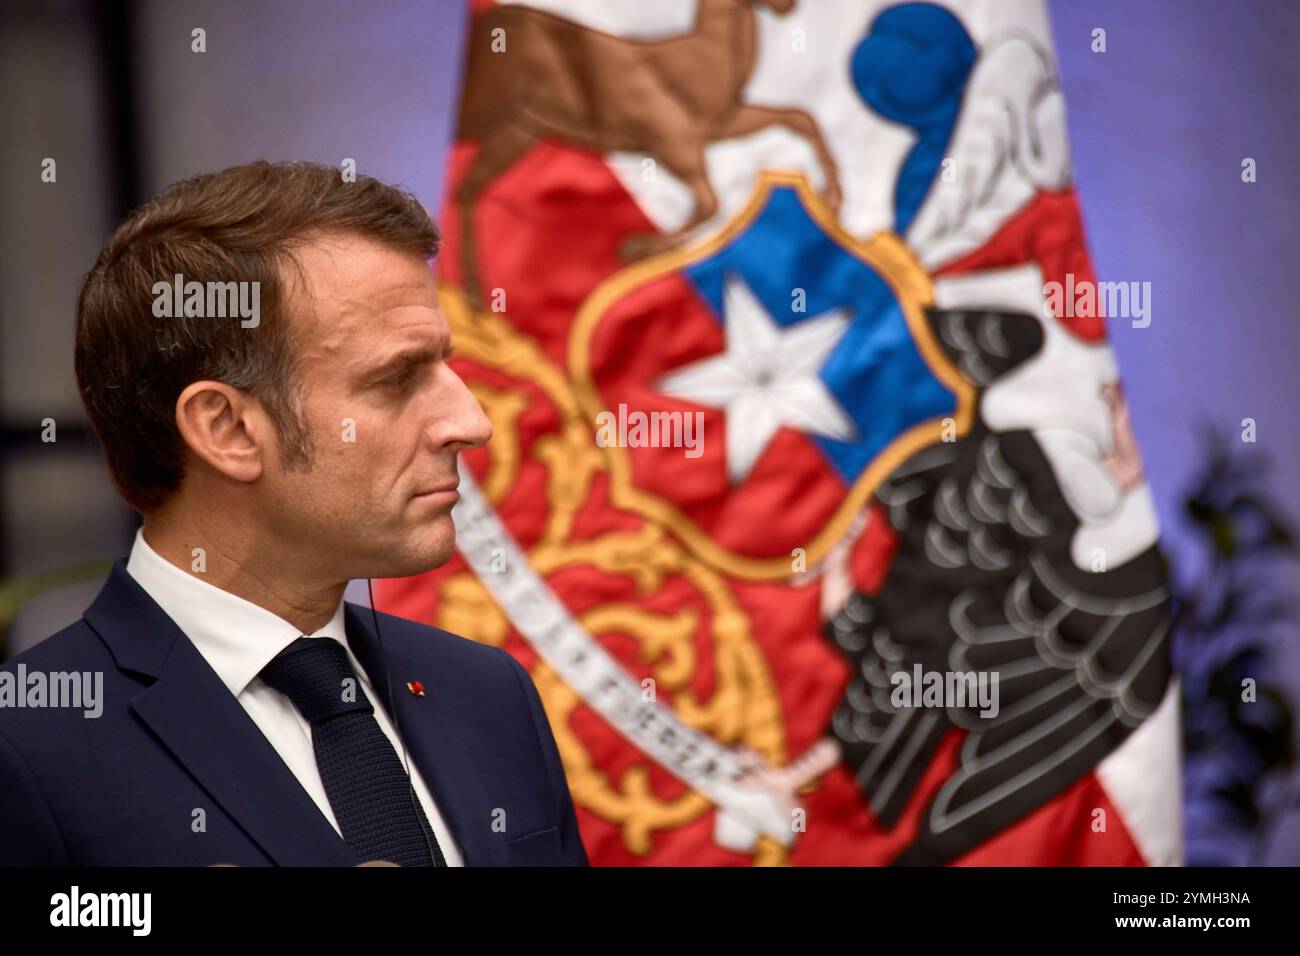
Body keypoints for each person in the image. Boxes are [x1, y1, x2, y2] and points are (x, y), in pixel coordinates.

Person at [0, 161, 588, 867]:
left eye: (446, 366)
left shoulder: (488, 694)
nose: (470, 421)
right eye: (398, 379)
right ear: (228, 430)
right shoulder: (29, 745)